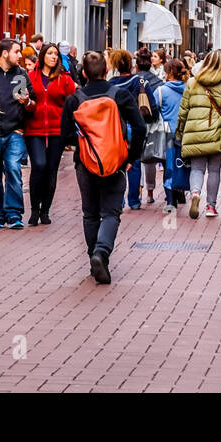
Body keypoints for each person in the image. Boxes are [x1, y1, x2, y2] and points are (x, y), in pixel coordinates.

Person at [60, 51, 147, 284]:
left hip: (86, 163)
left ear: (84, 73)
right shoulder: (119, 96)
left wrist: (83, 145)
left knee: (90, 213)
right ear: (107, 71)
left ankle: (93, 259)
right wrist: (131, 156)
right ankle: (102, 252)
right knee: (111, 212)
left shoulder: (74, 100)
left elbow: (66, 135)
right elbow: (140, 128)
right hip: (116, 161)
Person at [175, 50, 221, 219]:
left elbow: (183, 110)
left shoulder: (192, 82)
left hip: (194, 131)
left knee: (196, 168)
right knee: (214, 171)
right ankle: (211, 206)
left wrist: (180, 131)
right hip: (216, 132)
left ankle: (195, 193)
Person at [0, 39, 35, 229]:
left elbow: (32, 105)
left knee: (13, 169)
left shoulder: (21, 75)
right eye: (17, 52)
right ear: (5, 54)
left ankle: (13, 214)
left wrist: (27, 102)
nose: (20, 55)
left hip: (15, 131)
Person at [24, 42, 78, 226]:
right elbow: (23, 98)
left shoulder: (65, 79)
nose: (54, 57)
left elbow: (74, 101)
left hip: (57, 129)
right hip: (34, 128)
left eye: (56, 54)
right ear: (43, 56)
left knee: (51, 169)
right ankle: (34, 209)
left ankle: (45, 210)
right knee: (38, 165)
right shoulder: (30, 76)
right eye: (50, 53)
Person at [106, 49, 158, 209]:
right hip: (134, 127)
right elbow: (152, 105)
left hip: (114, 128)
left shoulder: (110, 84)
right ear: (131, 64)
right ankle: (134, 201)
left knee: (116, 164)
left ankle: (118, 200)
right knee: (134, 163)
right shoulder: (139, 81)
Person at [156, 58, 190, 212]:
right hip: (187, 132)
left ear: (169, 74)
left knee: (169, 166)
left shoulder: (161, 91)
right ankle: (181, 192)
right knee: (182, 163)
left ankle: (171, 201)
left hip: (168, 133)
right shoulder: (189, 89)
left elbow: (153, 111)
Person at [133, 48, 165, 203]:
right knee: (149, 158)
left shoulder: (132, 80)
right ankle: (150, 192)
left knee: (136, 158)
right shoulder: (157, 81)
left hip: (134, 122)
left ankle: (137, 191)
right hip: (151, 122)